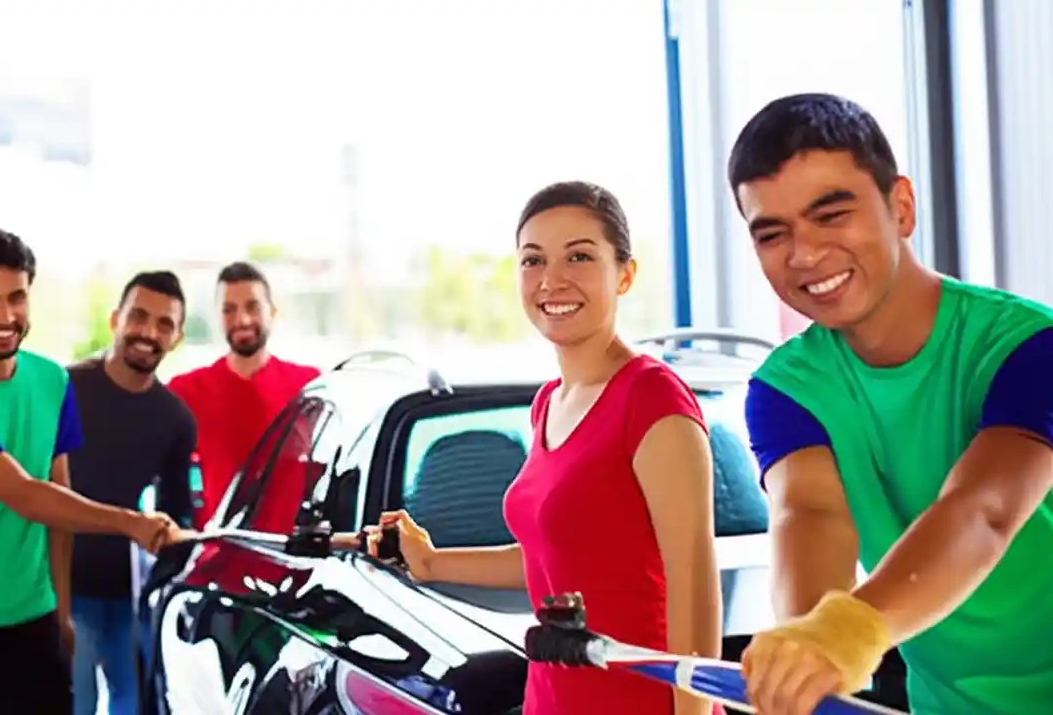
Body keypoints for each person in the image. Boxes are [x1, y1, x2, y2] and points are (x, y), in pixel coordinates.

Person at [728, 93, 1053, 714]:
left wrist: (849, 634)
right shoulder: (787, 389)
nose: (804, 254)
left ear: (900, 206)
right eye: (773, 233)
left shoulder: (1029, 346)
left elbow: (985, 508)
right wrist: (804, 655)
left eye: (831, 214)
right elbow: (810, 516)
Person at [371, 182, 723, 715]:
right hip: (553, 698)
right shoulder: (547, 405)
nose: (552, 280)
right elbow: (551, 558)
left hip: (640, 701)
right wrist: (432, 561)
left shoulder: (651, 397)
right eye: (533, 261)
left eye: (579, 256)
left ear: (625, 274)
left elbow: (693, 580)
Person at [0, 227, 183, 715]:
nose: (5, 317)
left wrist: (60, 608)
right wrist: (130, 522)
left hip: (30, 617)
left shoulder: (51, 380)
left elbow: (59, 499)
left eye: (17, 297)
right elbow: (27, 495)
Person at [65, 270, 196, 715]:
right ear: (115, 319)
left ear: (176, 338)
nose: (149, 332)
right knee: (72, 704)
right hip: (61, 587)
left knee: (136, 704)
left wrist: (170, 585)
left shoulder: (175, 419)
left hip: (130, 594)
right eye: (139, 317)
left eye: (165, 324)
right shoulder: (65, 389)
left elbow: (177, 514)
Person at [168, 261, 321, 529]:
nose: (242, 320)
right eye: (229, 310)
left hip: (293, 558)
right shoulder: (186, 390)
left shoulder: (309, 386)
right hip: (216, 554)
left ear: (272, 311)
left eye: (252, 307)